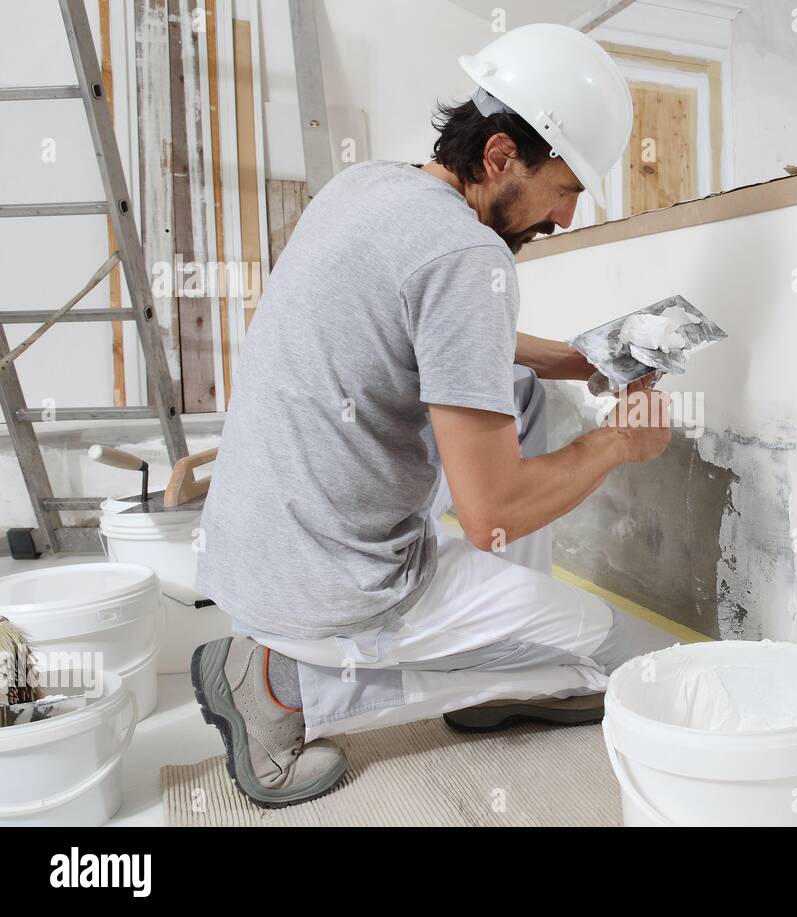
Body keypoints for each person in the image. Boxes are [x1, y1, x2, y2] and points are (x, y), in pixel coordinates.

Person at [191, 24, 671, 808]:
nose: (565, 218)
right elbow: (492, 515)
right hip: (339, 582)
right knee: (612, 657)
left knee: (517, 392)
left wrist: (573, 358)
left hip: (257, 546)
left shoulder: (372, 188)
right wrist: (619, 440)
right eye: (564, 189)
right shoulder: (466, 257)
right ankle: (279, 687)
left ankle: (482, 652)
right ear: (500, 157)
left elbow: (429, 333)